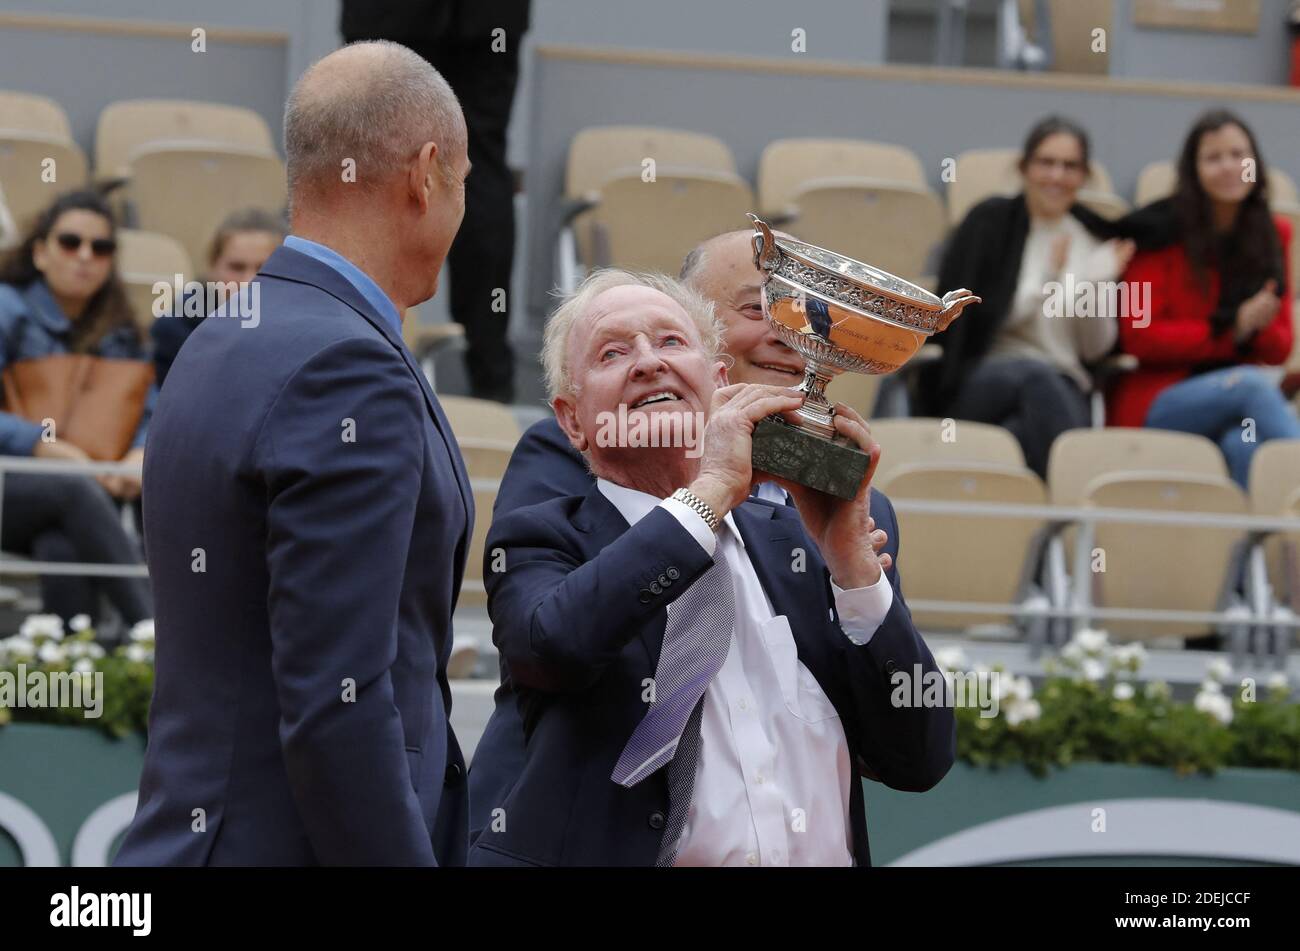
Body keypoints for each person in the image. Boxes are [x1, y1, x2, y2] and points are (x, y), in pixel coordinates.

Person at [116, 41, 474, 866]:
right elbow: (338, 704)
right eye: (463, 182)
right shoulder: (348, 365)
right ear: (425, 174)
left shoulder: (221, 337)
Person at [467, 268, 954, 866]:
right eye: (613, 353)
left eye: (671, 342)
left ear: (718, 380)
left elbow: (921, 759)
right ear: (572, 421)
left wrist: (856, 574)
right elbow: (554, 647)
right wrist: (713, 489)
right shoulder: (543, 537)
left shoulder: (801, 551)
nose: (648, 363)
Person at [928, 116, 1142, 477]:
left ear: (1084, 175)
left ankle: (1040, 525)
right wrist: (1047, 279)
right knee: (1035, 377)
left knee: (1020, 434)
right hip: (984, 376)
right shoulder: (991, 223)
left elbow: (1094, 350)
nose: (1057, 176)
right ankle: (1077, 508)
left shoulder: (1093, 240)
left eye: (1070, 166)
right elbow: (981, 315)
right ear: (1025, 168)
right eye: (1046, 162)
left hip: (1064, 382)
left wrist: (1095, 283)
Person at [342, 0, 529, 403]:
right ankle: (491, 376)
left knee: (379, 161)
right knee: (478, 162)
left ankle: (356, 347)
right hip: (487, 17)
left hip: (393, 17)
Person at [1110, 109, 1297, 486]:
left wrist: (1252, 329)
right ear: (1193, 171)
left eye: (1239, 155)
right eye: (1214, 158)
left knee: (1243, 447)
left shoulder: (1274, 233)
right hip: (1158, 399)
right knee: (1249, 383)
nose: (1229, 167)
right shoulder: (1154, 231)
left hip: (1239, 402)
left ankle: (1262, 544)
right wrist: (1230, 332)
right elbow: (1138, 334)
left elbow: (1279, 348)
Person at [0, 189, 153, 629]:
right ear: (40, 253)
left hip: (69, 501)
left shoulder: (122, 332)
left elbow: (152, 410)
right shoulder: (7, 310)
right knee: (71, 488)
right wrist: (43, 446)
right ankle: (152, 633)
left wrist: (139, 454)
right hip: (13, 482)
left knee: (62, 547)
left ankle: (67, 685)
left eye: (100, 247)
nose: (85, 256)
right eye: (70, 242)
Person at [151, 208, 286, 388]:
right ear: (213, 267)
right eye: (237, 267)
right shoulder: (177, 331)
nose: (249, 281)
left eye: (265, 268)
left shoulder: (308, 332)